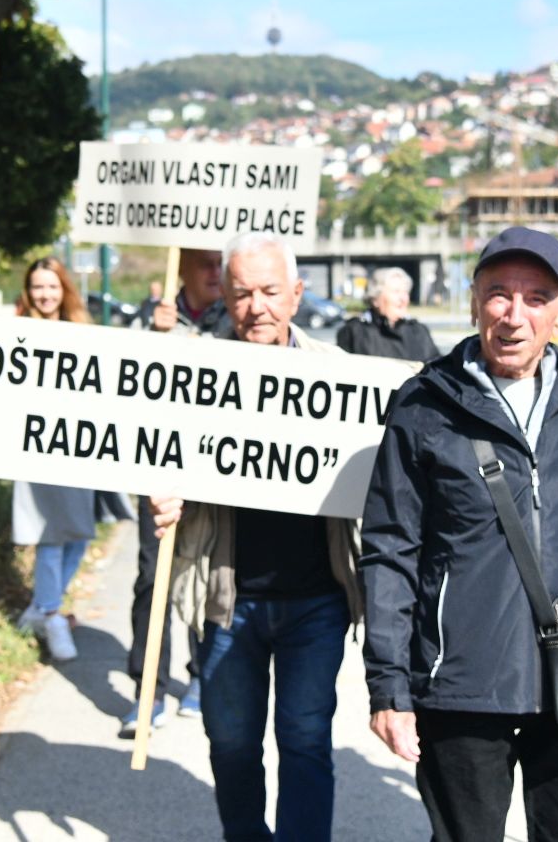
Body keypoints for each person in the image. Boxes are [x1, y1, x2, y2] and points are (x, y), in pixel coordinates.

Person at [361, 225, 558, 842]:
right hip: (461, 682)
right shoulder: (424, 406)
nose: (514, 316)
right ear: (473, 302)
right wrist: (389, 688)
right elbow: (389, 551)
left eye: (536, 297)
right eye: (499, 294)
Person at [149, 232, 364, 842]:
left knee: (304, 739)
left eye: (270, 291)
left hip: (317, 600)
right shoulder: (195, 375)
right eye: (242, 293)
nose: (256, 307)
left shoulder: (341, 376)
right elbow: (158, 457)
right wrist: (164, 495)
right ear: (225, 297)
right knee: (233, 745)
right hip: (225, 600)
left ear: (296, 295)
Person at [120, 246, 227, 738]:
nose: (214, 272)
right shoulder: (150, 316)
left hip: (217, 476)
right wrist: (155, 335)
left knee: (207, 577)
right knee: (152, 578)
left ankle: (204, 678)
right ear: (180, 267)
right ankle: (150, 691)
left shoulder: (233, 317)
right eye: (204, 263)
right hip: (159, 469)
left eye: (219, 263)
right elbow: (122, 379)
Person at [11, 256, 132, 662]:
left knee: (79, 535)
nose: (45, 294)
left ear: (65, 289)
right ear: (28, 292)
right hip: (36, 447)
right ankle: (51, 614)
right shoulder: (16, 333)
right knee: (51, 537)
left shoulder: (84, 333)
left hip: (78, 448)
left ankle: (41, 609)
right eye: (38, 287)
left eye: (52, 286)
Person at [336, 265, 440, 363]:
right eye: (396, 292)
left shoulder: (419, 331)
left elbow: (437, 369)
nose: (403, 299)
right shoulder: (353, 331)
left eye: (405, 292)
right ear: (375, 298)